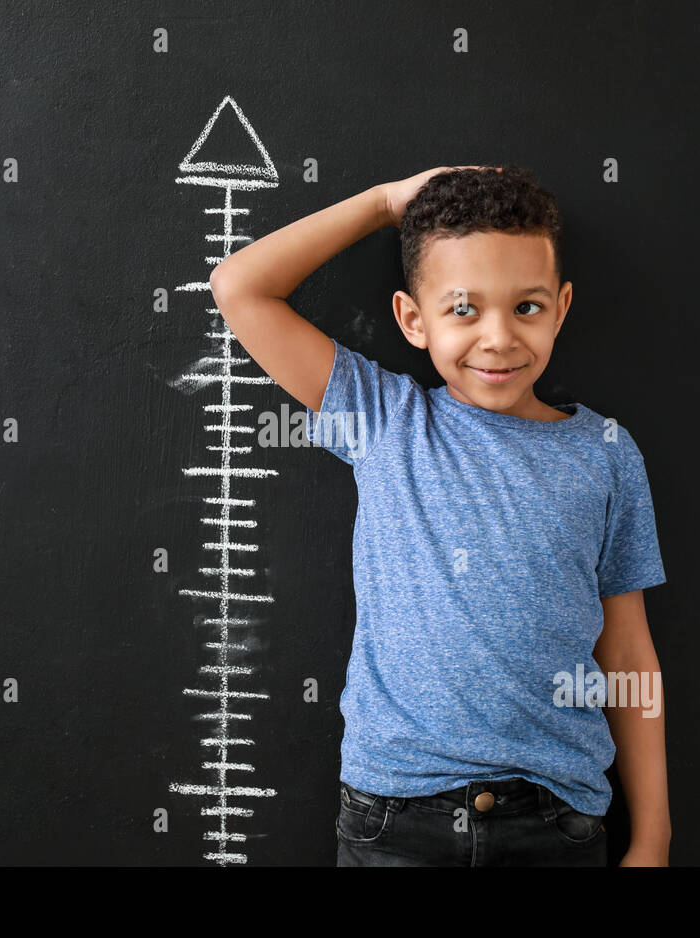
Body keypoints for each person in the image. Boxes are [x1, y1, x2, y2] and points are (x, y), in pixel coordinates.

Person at [208, 165, 670, 866]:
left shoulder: (605, 453)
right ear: (411, 320)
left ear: (562, 307)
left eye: (527, 307)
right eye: (464, 309)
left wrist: (654, 836)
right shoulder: (385, 420)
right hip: (395, 817)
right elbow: (239, 286)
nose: (498, 338)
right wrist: (385, 203)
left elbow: (629, 652)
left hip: (556, 822)